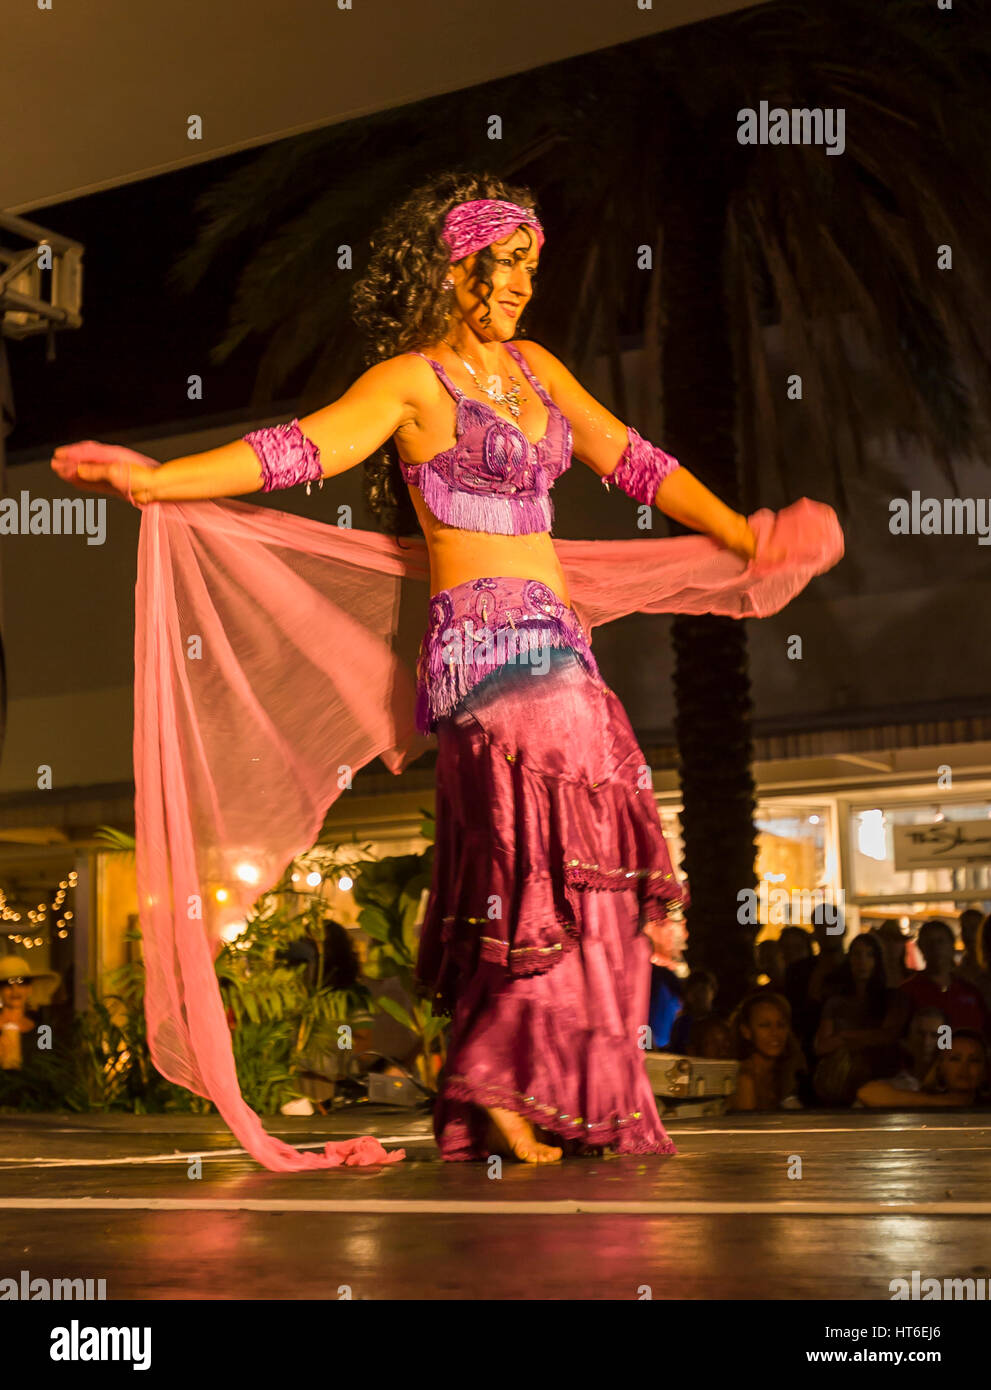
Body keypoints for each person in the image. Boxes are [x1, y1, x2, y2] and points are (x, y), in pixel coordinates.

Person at [51, 172, 842, 1169]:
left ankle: (525, 1087)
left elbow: (633, 459)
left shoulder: (537, 369)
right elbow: (301, 448)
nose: (519, 287)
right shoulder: (411, 381)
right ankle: (501, 1073)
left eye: (530, 270)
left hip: (556, 634)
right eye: (503, 267)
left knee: (569, 859)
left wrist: (748, 535)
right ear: (456, 267)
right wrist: (157, 478)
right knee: (568, 836)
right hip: (481, 639)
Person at [811, 932, 908, 1105]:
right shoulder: (836, 1001)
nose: (862, 961)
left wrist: (844, 1036)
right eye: (857, 954)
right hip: (839, 1081)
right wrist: (861, 1038)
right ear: (849, 959)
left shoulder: (890, 1000)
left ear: (877, 960)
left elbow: (887, 1036)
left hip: (880, 1079)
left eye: (869, 955)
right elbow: (822, 1046)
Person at [899, 919, 989, 1039]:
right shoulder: (908, 991)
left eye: (940, 941)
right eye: (930, 943)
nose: (936, 948)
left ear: (951, 945)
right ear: (921, 948)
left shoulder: (969, 990)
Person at [856, 1029, 989, 1109]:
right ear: (940, 1066)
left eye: (974, 1060)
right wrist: (946, 1102)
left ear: (985, 1069)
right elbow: (867, 1093)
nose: (964, 1068)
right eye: (955, 1059)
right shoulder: (916, 1091)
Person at [727, 990, 807, 1112]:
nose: (775, 1033)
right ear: (746, 1031)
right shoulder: (744, 1079)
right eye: (764, 1025)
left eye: (781, 1025)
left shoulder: (784, 1073)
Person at [0, 955, 59, 1071]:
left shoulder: (44, 1030)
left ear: (29, 988)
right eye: (8, 984)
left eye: (22, 982)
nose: (15, 990)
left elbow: (49, 1069)